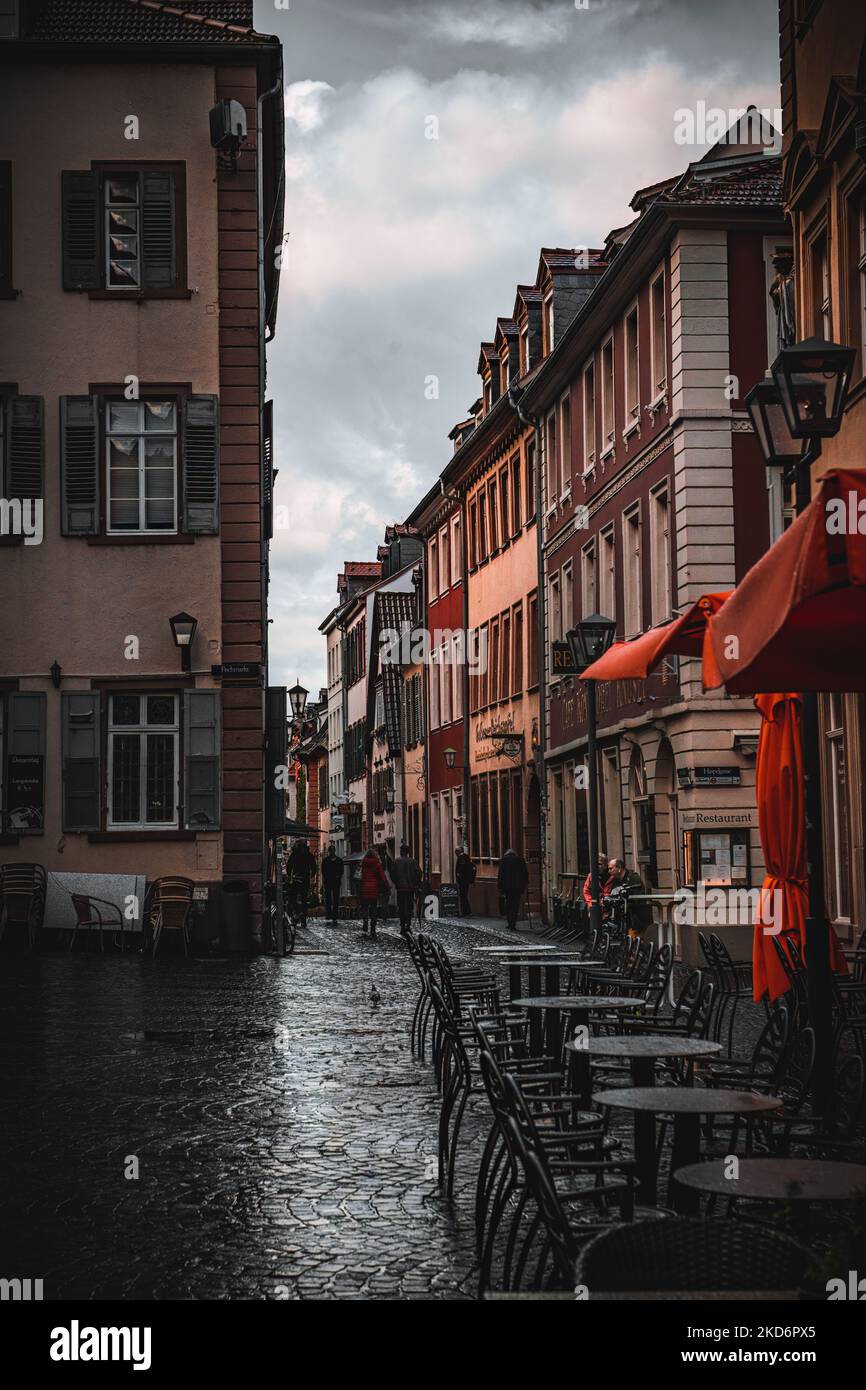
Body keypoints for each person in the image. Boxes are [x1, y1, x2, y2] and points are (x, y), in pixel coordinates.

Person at [606, 857, 652, 937]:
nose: (609, 871)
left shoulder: (633, 878)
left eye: (611, 868)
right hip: (622, 919)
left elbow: (638, 898)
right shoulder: (615, 880)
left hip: (635, 919)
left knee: (634, 941)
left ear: (619, 868)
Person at [391, 842, 421, 937]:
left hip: (401, 888)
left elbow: (393, 874)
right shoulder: (413, 861)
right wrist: (415, 883)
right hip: (410, 888)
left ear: (402, 851)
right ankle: (408, 924)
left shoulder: (396, 861)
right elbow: (419, 873)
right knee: (409, 907)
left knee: (401, 907)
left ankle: (403, 925)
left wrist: (396, 882)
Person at [358, 846, 389, 938]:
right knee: (373, 910)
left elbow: (357, 875)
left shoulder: (362, 863)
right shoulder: (377, 864)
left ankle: (365, 922)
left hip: (364, 889)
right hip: (374, 890)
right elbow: (382, 876)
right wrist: (387, 886)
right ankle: (372, 928)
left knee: (365, 908)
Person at [286, 839, 316, 929]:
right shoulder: (309, 854)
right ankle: (303, 919)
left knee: (293, 899)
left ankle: (298, 914)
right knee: (303, 900)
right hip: (305, 879)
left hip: (297, 879)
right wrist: (311, 875)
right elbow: (314, 867)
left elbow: (289, 866)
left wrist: (289, 876)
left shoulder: (295, 854)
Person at [497, 848, 529, 930]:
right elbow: (525, 873)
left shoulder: (503, 860)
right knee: (515, 905)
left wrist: (500, 887)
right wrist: (525, 884)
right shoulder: (521, 860)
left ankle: (509, 922)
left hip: (507, 887)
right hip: (518, 887)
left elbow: (500, 874)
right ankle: (513, 923)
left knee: (508, 904)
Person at [582, 852, 612, 918]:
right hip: (596, 906)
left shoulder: (612, 875)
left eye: (599, 864)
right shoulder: (591, 875)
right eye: (595, 864)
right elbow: (586, 890)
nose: (597, 866)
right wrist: (591, 904)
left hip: (610, 908)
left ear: (605, 865)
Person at [321, 844, 344, 925]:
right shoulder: (326, 860)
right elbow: (323, 870)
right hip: (328, 881)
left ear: (334, 851)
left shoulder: (339, 861)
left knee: (335, 898)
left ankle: (335, 914)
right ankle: (329, 913)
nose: (331, 852)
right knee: (328, 898)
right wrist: (326, 877)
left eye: (332, 850)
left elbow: (341, 871)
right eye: (330, 851)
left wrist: (338, 876)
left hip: (336, 881)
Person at [455, 847, 477, 916]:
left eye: (456, 851)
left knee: (463, 896)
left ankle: (466, 912)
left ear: (459, 851)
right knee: (464, 896)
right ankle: (466, 912)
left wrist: (459, 876)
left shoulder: (461, 858)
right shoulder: (466, 857)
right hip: (466, 880)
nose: (455, 853)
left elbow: (461, 869)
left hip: (462, 881)